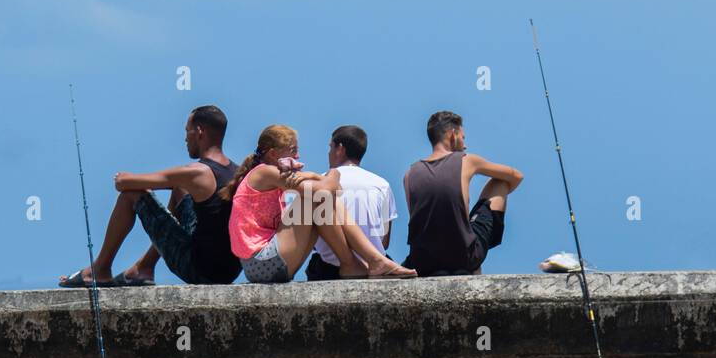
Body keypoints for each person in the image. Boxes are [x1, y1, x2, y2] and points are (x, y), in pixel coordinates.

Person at [58, 105, 241, 287]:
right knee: (180, 188)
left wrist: (123, 177)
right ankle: (144, 267)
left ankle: (100, 269)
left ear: (199, 131)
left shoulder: (198, 172)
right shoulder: (237, 171)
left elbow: (124, 183)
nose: (186, 138)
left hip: (201, 270)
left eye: (187, 131)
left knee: (132, 194)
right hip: (229, 270)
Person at [224, 124, 416, 284]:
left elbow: (331, 190)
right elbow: (325, 191)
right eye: (293, 150)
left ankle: (363, 262)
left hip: (268, 264)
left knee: (322, 200)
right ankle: (361, 262)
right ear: (274, 154)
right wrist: (334, 173)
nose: (298, 156)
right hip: (263, 262)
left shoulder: (274, 176)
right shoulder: (265, 172)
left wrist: (318, 176)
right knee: (316, 199)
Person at [402, 110, 522, 276]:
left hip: (422, 262)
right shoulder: (467, 160)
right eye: (463, 137)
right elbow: (516, 176)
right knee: (500, 182)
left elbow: (419, 221)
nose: (464, 145)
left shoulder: (409, 174)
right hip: (463, 258)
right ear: (453, 134)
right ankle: (475, 261)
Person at [304, 125, 398, 281]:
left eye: (330, 147)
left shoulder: (318, 183)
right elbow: (384, 242)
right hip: (372, 268)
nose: (328, 153)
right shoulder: (382, 185)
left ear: (340, 149)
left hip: (330, 269)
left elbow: (311, 239)